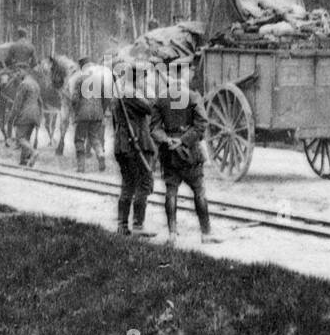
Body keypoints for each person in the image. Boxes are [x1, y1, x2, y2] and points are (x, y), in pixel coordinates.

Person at [150, 76, 219, 245]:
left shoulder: (161, 99)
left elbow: (154, 128)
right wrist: (183, 140)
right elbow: (202, 123)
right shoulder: (193, 96)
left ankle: (172, 235)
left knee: (171, 192)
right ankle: (206, 234)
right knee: (199, 191)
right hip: (191, 153)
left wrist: (167, 140)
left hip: (169, 154)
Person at [112, 63, 156, 238]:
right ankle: (138, 225)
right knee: (144, 183)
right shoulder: (131, 95)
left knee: (128, 184)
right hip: (135, 146)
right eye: (143, 79)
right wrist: (148, 91)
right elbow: (151, 107)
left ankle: (122, 225)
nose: (145, 82)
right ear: (136, 79)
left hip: (122, 146)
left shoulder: (120, 95)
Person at [71, 58, 109, 174]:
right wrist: (102, 110)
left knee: (79, 139)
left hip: (83, 113)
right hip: (97, 114)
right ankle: (100, 154)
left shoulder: (79, 79)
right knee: (94, 137)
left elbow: (74, 99)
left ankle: (81, 167)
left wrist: (75, 111)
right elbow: (106, 98)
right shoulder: (99, 80)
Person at [9, 66, 42, 166]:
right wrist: (39, 117)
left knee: (20, 138)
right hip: (35, 114)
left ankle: (33, 152)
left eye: (19, 71)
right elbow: (40, 102)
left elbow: (17, 103)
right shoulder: (36, 84)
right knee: (26, 138)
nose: (18, 74)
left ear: (24, 71)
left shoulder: (23, 84)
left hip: (25, 114)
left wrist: (11, 117)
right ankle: (23, 161)